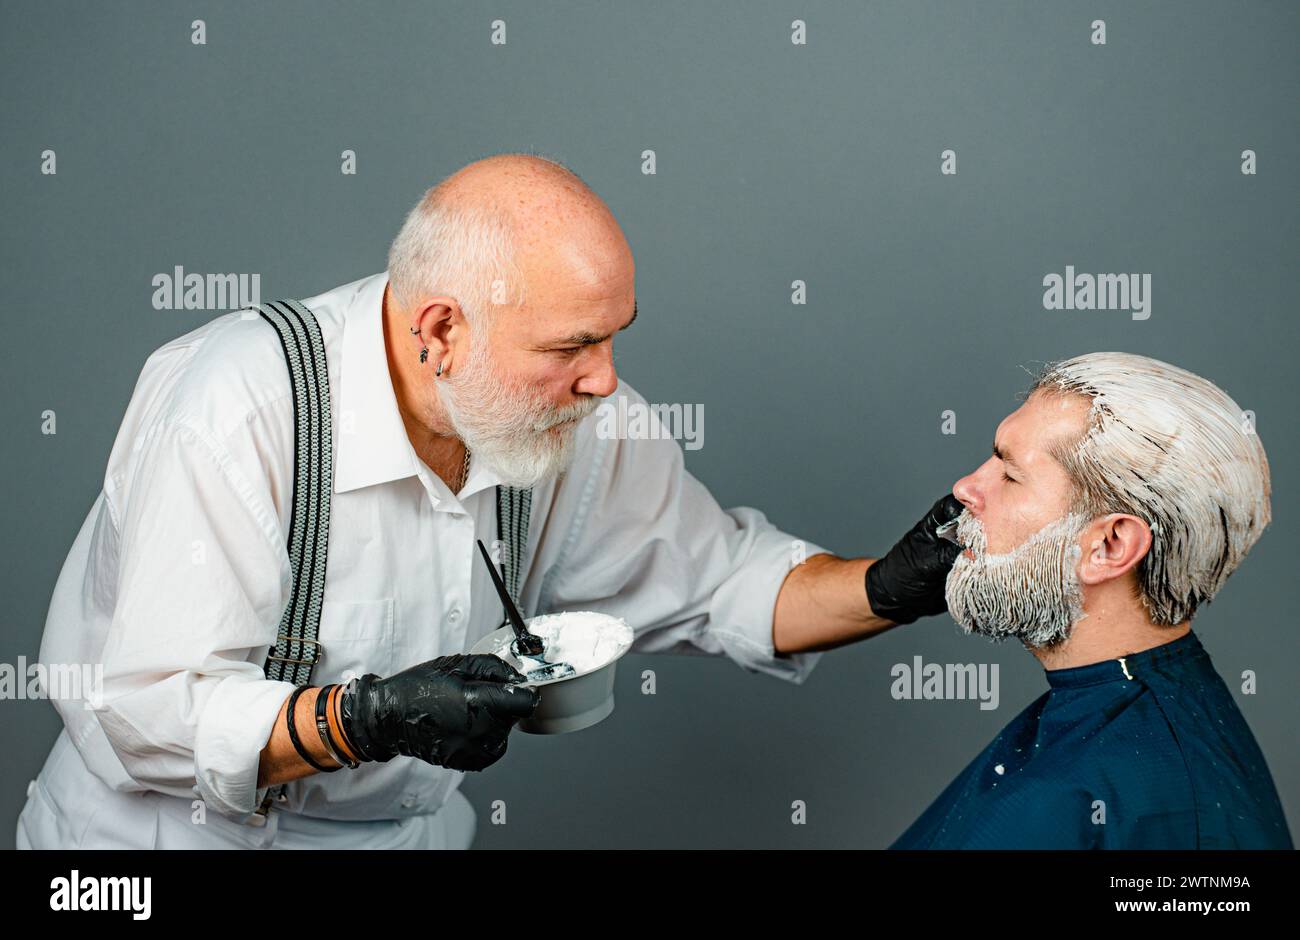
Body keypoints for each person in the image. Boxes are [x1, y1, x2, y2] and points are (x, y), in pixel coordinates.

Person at [17, 153, 960, 849]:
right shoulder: (238, 407)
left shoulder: (575, 420)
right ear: (440, 330)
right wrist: (367, 717)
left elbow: (720, 583)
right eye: (571, 347)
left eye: (615, 338)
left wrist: (892, 585)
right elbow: (142, 714)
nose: (605, 382)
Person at [892, 352, 1292, 849]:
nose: (966, 488)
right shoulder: (1122, 712)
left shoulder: (1139, 800)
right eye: (993, 456)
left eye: (1011, 475)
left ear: (1110, 547)